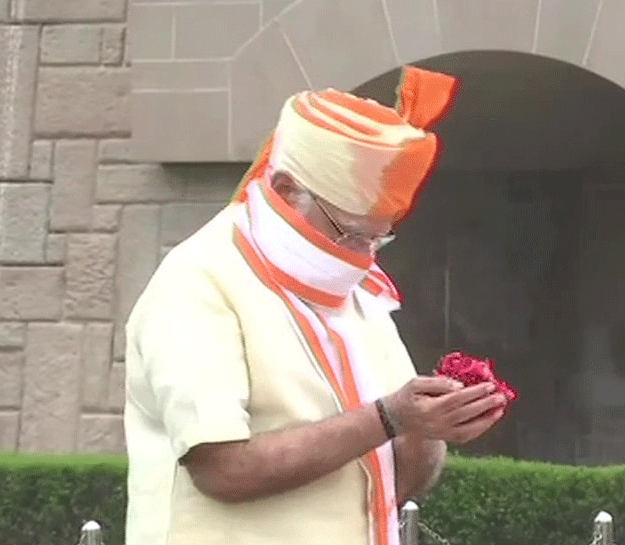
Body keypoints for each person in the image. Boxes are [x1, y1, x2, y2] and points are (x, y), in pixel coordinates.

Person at [123, 66, 510, 545]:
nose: (363, 255)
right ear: (287, 191)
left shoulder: (358, 290)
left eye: (379, 237)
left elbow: (395, 484)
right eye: (349, 231)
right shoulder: (198, 281)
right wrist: (389, 417)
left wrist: (431, 425)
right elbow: (222, 470)